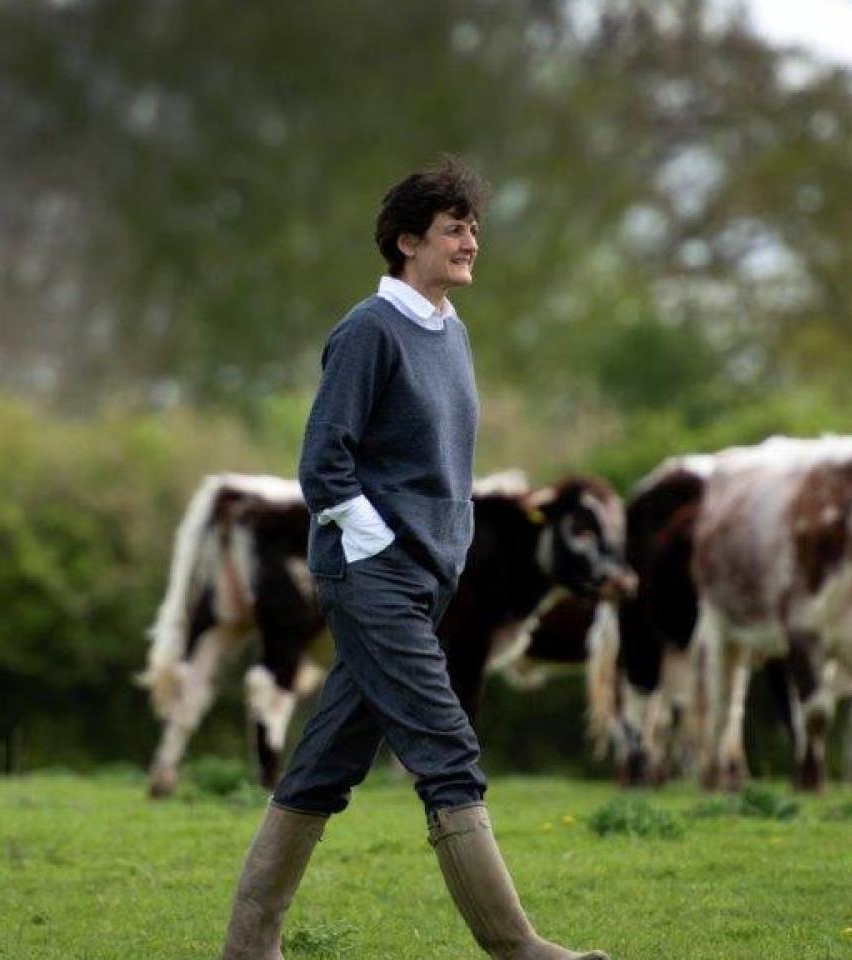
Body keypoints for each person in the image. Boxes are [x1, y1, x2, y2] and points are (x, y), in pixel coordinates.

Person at [217, 156, 608, 960]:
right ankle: (516, 946)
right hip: (375, 577)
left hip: (426, 577)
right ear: (406, 243)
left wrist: (440, 551)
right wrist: (378, 545)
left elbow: (438, 465)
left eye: (473, 228)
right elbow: (324, 460)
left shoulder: (449, 332)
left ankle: (248, 947)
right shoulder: (368, 331)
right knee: (447, 747)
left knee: (327, 760)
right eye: (453, 229)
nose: (471, 242)